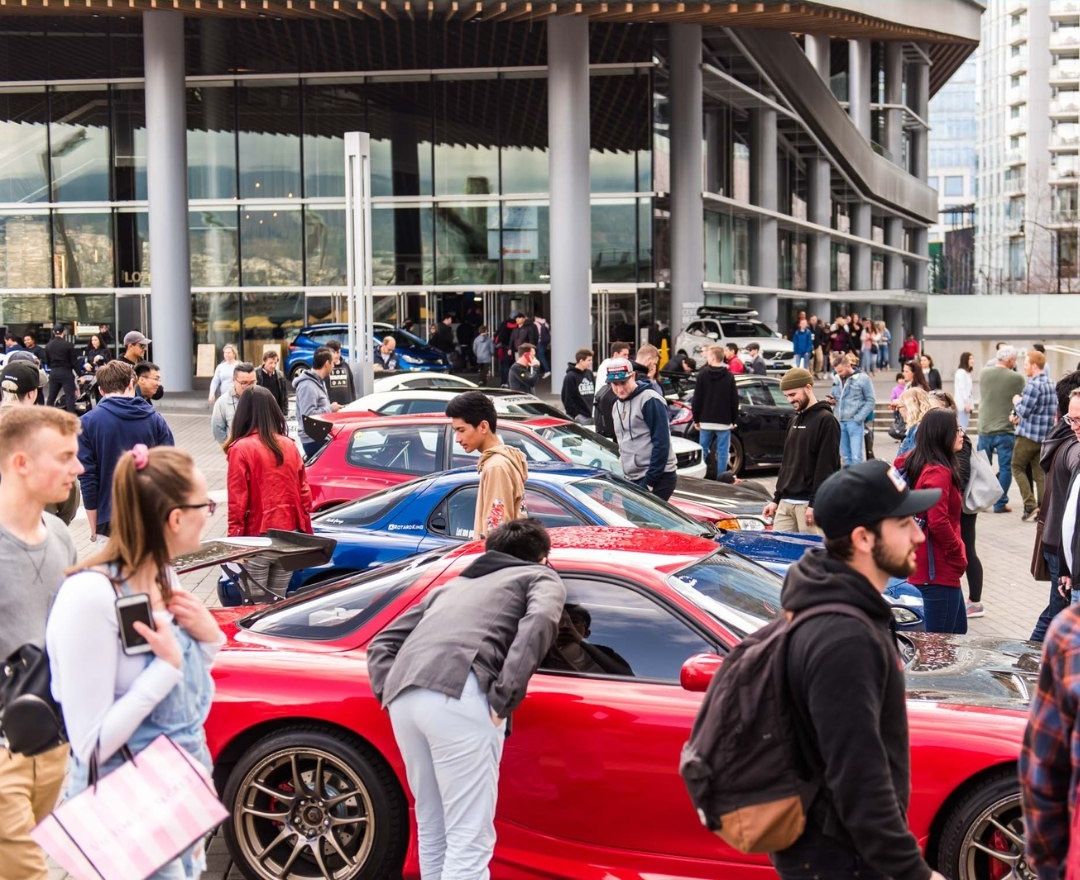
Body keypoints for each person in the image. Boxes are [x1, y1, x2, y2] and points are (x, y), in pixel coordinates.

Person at [47, 444, 224, 880]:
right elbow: (89, 745)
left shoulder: (165, 578)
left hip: (176, 801)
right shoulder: (90, 596)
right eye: (207, 504)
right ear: (176, 519)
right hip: (124, 812)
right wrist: (162, 671)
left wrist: (209, 641)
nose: (212, 512)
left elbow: (190, 705)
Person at [772, 460, 946, 880]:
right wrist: (915, 874)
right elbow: (858, 782)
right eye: (904, 523)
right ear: (863, 538)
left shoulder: (831, 606)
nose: (919, 535)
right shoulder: (844, 639)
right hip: (841, 860)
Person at [367, 519, 565, 880]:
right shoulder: (539, 577)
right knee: (469, 833)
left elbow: (382, 643)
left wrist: (388, 691)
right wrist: (504, 697)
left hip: (405, 698)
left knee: (433, 822)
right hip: (460, 694)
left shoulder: (454, 585)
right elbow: (540, 621)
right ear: (541, 557)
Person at [0, 406, 82, 880]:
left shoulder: (59, 535)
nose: (79, 467)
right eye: (65, 456)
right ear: (21, 463)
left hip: (51, 749)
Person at [225, 386, 312, 596]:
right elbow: (305, 495)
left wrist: (234, 541)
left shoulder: (241, 448)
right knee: (277, 601)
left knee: (255, 604)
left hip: (258, 536)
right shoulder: (289, 445)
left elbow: (237, 502)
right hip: (290, 534)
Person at [78, 360, 174, 541]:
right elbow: (170, 469)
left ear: (101, 390)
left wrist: (94, 529)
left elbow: (88, 479)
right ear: (131, 383)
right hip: (150, 513)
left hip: (108, 517)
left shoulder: (87, 422)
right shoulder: (154, 418)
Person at [895, 408, 968, 633]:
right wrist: (957, 553)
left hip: (929, 568)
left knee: (956, 634)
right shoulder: (938, 471)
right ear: (941, 435)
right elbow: (938, 521)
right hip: (937, 572)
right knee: (940, 648)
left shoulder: (920, 463)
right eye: (956, 429)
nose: (961, 434)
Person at [927, 390, 986, 620]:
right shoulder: (938, 436)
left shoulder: (960, 438)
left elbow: (959, 474)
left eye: (933, 408)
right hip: (951, 504)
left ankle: (976, 600)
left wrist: (949, 496)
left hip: (962, 507)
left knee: (967, 549)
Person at [1030, 380, 1080, 641]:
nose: (1076, 426)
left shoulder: (1059, 435)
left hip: (1059, 545)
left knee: (1056, 612)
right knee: (1058, 616)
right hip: (1062, 549)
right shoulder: (1072, 445)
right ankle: (1029, 658)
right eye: (1073, 419)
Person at [762, 368, 840, 534]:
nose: (789, 400)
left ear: (808, 387)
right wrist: (776, 499)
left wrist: (815, 504)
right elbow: (787, 462)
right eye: (786, 396)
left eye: (793, 394)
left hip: (808, 506)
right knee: (780, 555)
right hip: (785, 504)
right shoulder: (794, 419)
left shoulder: (827, 421)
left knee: (812, 555)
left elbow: (827, 467)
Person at [445, 390, 527, 538]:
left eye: (461, 430)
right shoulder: (504, 460)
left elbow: (496, 531)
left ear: (483, 427)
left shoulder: (496, 466)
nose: (457, 439)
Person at [608, 357, 678, 500]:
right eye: (615, 384)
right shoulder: (616, 405)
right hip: (632, 477)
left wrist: (649, 482)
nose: (620, 388)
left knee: (646, 522)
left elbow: (662, 443)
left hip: (658, 477)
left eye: (623, 382)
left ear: (633, 376)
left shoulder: (650, 400)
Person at [978, 345, 1027, 514]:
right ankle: (1000, 504)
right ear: (1011, 360)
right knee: (1006, 468)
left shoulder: (984, 373)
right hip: (1005, 429)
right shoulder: (1017, 378)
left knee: (983, 467)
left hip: (984, 427)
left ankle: (982, 502)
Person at [1011, 350, 1057, 522]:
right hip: (1045, 436)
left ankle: (1030, 505)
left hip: (1028, 436)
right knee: (1040, 474)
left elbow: (1024, 411)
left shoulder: (1033, 385)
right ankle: (1044, 509)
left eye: (1026, 364)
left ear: (1034, 366)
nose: (1024, 367)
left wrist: (1016, 400)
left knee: (1016, 466)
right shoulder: (1051, 383)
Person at [692, 345, 739, 481]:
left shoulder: (702, 375)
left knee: (703, 450)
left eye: (707, 356)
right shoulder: (729, 376)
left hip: (705, 420)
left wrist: (696, 419)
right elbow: (734, 400)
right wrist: (734, 420)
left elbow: (697, 399)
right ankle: (721, 479)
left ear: (712, 357)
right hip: (724, 421)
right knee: (723, 451)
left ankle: (702, 477)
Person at [829, 352, 876, 467]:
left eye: (840, 371)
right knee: (845, 457)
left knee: (856, 457)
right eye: (836, 372)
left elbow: (871, 400)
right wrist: (832, 401)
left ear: (848, 365)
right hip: (840, 420)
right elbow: (835, 395)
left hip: (854, 422)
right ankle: (847, 482)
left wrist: (858, 418)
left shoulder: (863, 378)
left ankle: (857, 483)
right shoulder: (837, 378)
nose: (838, 374)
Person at [294, 347, 340, 458]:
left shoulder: (318, 382)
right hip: (313, 440)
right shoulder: (307, 385)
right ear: (326, 363)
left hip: (320, 436)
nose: (334, 366)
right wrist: (330, 408)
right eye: (333, 363)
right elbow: (308, 415)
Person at [211, 361, 256, 446]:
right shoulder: (222, 402)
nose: (249, 387)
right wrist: (229, 448)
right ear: (234, 381)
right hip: (236, 451)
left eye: (252, 382)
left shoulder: (264, 397)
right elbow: (217, 429)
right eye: (244, 383)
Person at [120, 331, 163, 401]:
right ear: (130, 346)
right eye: (141, 345)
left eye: (145, 346)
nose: (145, 349)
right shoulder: (118, 366)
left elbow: (158, 394)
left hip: (144, 405)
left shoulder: (146, 365)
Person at [44, 323, 77, 413]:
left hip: (54, 372)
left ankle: (46, 417)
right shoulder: (69, 345)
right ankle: (71, 418)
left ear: (54, 332)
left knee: (51, 397)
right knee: (70, 397)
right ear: (64, 332)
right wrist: (80, 374)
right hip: (66, 372)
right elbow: (74, 362)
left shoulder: (48, 345)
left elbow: (47, 362)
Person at [560, 348, 595, 423]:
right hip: (579, 417)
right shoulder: (570, 376)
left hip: (591, 414)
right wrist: (575, 415)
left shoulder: (589, 373)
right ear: (581, 361)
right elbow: (567, 398)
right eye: (589, 360)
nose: (591, 362)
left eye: (591, 360)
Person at [896, 387, 932, 456]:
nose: (898, 411)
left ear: (910, 407)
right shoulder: (923, 427)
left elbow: (911, 461)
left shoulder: (918, 431)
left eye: (899, 407)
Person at [255, 349, 289, 417]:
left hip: (276, 410)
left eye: (275, 363)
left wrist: (285, 412)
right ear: (264, 361)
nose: (273, 365)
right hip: (261, 411)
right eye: (270, 363)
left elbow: (284, 395)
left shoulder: (280, 375)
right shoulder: (256, 373)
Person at [324, 339, 357, 407]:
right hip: (331, 407)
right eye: (334, 352)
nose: (336, 355)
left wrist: (354, 402)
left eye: (338, 352)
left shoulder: (346, 366)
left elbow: (351, 385)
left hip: (347, 405)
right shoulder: (325, 367)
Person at [954, 351, 975, 430]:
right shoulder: (961, 372)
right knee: (961, 428)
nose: (972, 360)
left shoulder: (967, 373)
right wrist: (966, 403)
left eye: (973, 358)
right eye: (970, 358)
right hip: (961, 405)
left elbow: (969, 391)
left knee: (964, 427)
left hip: (966, 405)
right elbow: (962, 389)